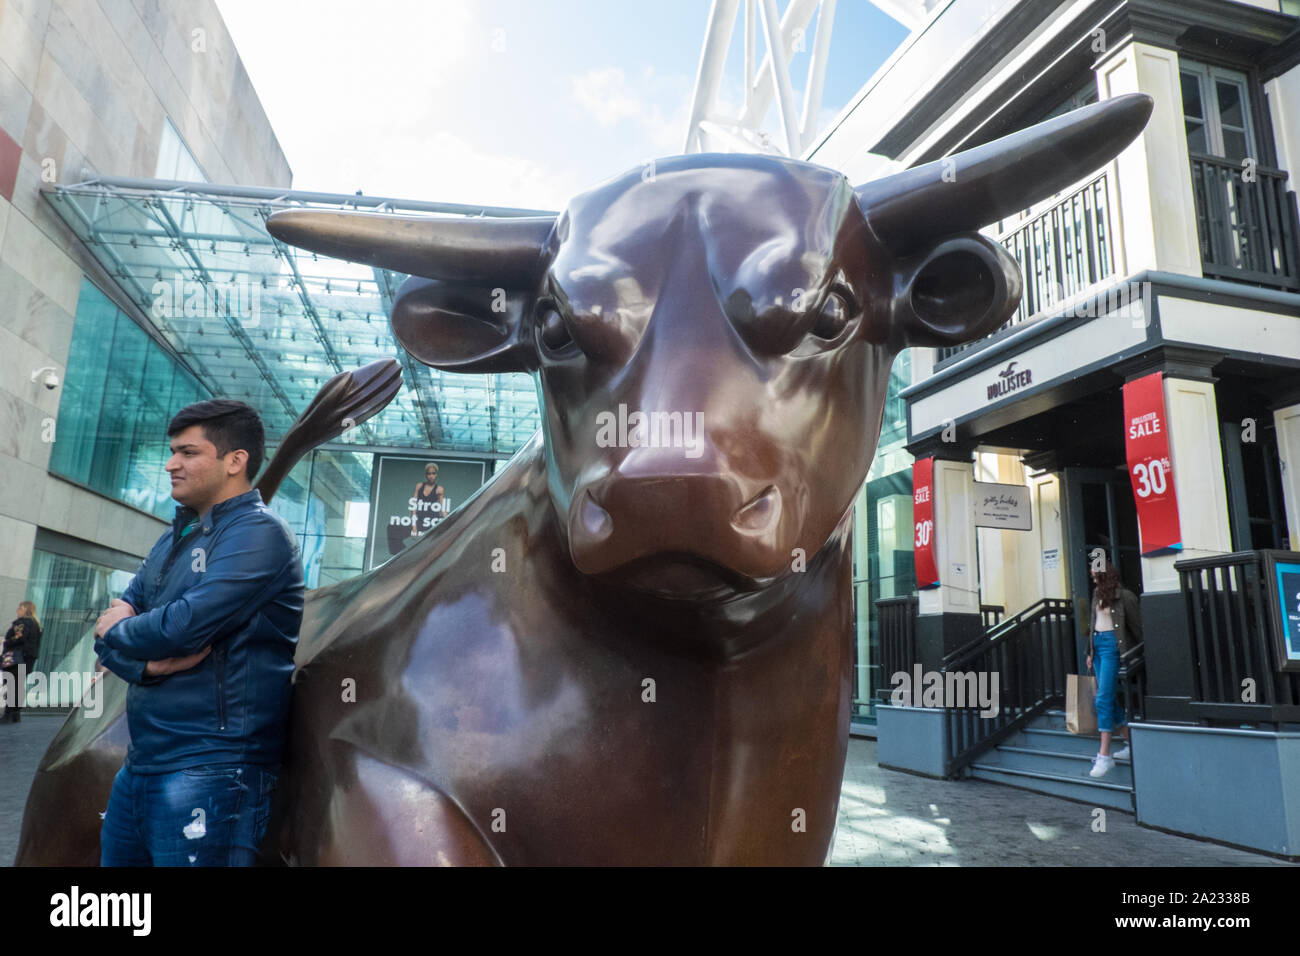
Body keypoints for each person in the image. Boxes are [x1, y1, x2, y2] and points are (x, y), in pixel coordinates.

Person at [93, 399, 304, 866]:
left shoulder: (260, 535)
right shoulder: (173, 539)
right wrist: (146, 662)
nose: (171, 464)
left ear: (235, 461)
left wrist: (127, 628)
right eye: (172, 452)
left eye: (188, 453)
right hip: (140, 767)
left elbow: (184, 628)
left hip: (215, 769)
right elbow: (106, 636)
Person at [1085, 555, 1142, 777]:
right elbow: (1093, 624)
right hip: (1098, 645)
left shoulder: (1125, 597)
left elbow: (1137, 627)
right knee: (1106, 698)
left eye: (1094, 573)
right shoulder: (1096, 594)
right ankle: (1131, 744)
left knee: (1102, 699)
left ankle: (1104, 755)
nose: (1091, 576)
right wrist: (1090, 651)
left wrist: (1139, 653)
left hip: (1112, 646)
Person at [1, 601, 41, 722]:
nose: (17, 610)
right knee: (18, 685)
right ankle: (15, 714)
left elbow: (19, 637)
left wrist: (6, 642)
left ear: (25, 609)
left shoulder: (22, 623)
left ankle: (9, 713)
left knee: (12, 684)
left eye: (19, 608)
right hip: (28, 658)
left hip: (16, 657)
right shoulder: (36, 625)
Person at [410, 462, 446, 536]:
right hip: (420, 521)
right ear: (426, 475)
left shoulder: (439, 489)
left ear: (436, 475)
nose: (431, 476)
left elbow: (442, 509)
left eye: (433, 473)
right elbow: (413, 507)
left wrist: (448, 520)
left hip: (432, 522)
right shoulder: (419, 486)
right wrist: (414, 526)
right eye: (429, 474)